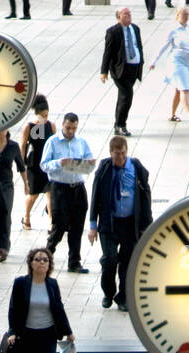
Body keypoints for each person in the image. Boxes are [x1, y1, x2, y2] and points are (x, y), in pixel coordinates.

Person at [88, 135, 152, 313]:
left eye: (123, 154)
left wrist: (147, 224)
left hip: (130, 224)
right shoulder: (105, 168)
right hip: (110, 223)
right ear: (111, 153)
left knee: (128, 262)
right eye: (117, 155)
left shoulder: (136, 167)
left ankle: (123, 297)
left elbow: (146, 195)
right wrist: (93, 226)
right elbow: (95, 197)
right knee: (109, 260)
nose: (120, 158)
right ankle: (108, 292)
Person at [40, 113, 95, 274]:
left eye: (74, 128)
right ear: (63, 125)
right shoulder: (53, 142)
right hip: (60, 188)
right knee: (60, 225)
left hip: (78, 187)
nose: (71, 131)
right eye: (68, 128)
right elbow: (44, 165)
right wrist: (59, 162)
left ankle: (74, 262)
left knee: (77, 227)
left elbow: (89, 160)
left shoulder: (81, 142)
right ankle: (44, 258)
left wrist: (90, 163)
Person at [149, 6, 189, 123]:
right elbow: (163, 46)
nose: (186, 17)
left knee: (178, 90)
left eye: (187, 14)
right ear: (178, 15)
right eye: (184, 14)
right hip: (177, 62)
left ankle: (172, 114)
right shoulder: (173, 29)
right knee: (185, 88)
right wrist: (154, 61)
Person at [100, 7, 144, 138]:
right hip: (120, 69)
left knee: (122, 97)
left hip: (134, 68)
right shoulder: (113, 31)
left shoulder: (135, 28)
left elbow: (138, 45)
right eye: (125, 14)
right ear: (119, 16)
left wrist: (141, 60)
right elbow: (107, 52)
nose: (129, 15)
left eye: (130, 13)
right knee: (127, 95)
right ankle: (121, 125)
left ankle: (117, 125)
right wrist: (104, 71)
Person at [20, 97, 54, 230]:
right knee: (33, 194)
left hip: (48, 164)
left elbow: (54, 143)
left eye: (46, 115)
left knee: (49, 193)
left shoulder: (51, 125)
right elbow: (23, 145)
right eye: (42, 116)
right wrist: (21, 163)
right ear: (37, 114)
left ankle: (52, 221)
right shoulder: (29, 127)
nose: (45, 118)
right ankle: (26, 216)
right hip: (34, 164)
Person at [0, 128, 26, 263]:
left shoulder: (13, 146)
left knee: (5, 213)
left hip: (6, 185)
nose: (0, 133)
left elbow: (21, 166)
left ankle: (4, 246)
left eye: (3, 130)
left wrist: (26, 184)